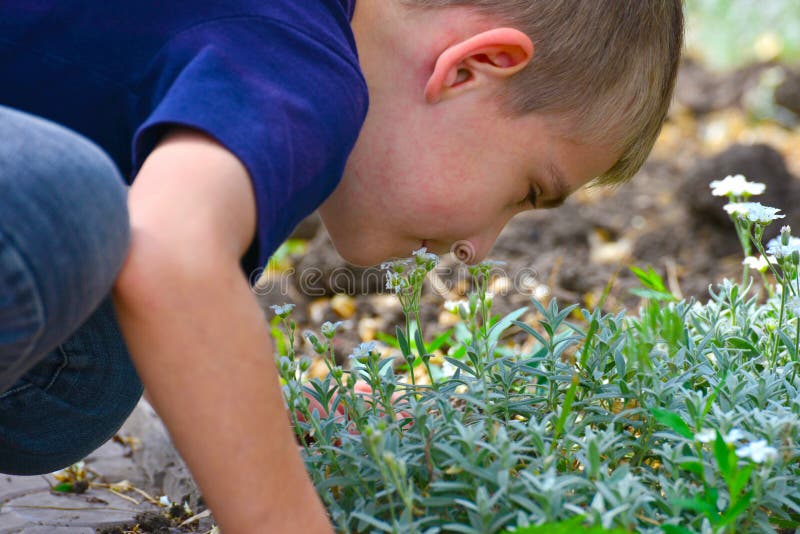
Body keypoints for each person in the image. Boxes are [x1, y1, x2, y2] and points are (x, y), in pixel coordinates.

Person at [0, 0, 683, 531]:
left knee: (84, 381)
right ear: (471, 68)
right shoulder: (309, 68)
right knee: (71, 215)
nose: (482, 246)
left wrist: (257, 412)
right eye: (525, 191)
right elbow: (171, 253)